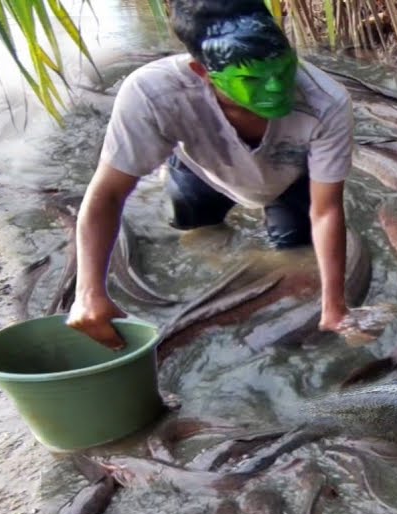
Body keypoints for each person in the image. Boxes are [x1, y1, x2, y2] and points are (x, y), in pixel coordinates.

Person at [68, 0, 355, 349]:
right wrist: (88, 291)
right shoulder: (152, 93)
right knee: (196, 228)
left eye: (284, 69)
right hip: (202, 168)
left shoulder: (326, 101)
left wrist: (334, 305)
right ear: (201, 71)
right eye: (251, 79)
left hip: (288, 175)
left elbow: (326, 210)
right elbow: (108, 194)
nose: (277, 89)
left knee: (297, 257)